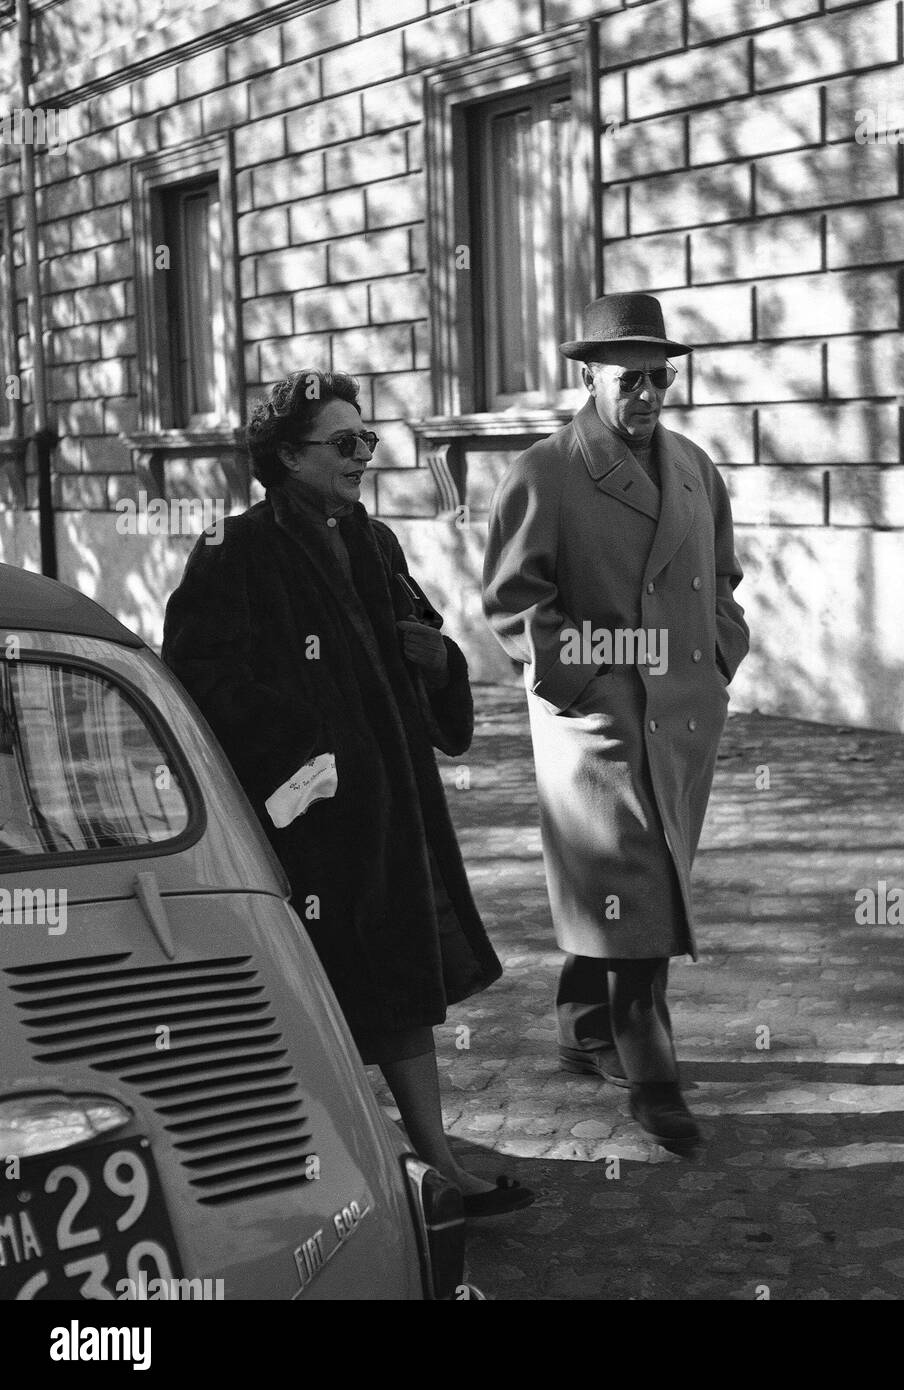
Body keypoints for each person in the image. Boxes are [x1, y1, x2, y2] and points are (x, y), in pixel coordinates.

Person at [163, 368, 533, 1218]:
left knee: (401, 986)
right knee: (316, 1005)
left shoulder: (375, 544)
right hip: (307, 825)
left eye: (366, 439)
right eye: (343, 442)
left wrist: (440, 665)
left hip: (392, 812)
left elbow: (425, 643)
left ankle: (437, 1166)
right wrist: (307, 742)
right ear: (287, 456)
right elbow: (199, 674)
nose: (362, 455)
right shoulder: (235, 548)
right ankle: (344, 1174)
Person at [482, 293, 750, 1153]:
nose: (647, 396)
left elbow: (724, 577)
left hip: (681, 715)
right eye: (629, 379)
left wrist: (718, 657)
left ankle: (581, 1027)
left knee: (634, 880)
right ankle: (651, 1071)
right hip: (600, 724)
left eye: (660, 379)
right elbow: (514, 605)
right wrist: (594, 684)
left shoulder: (695, 467)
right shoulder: (546, 472)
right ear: (587, 378)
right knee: (640, 887)